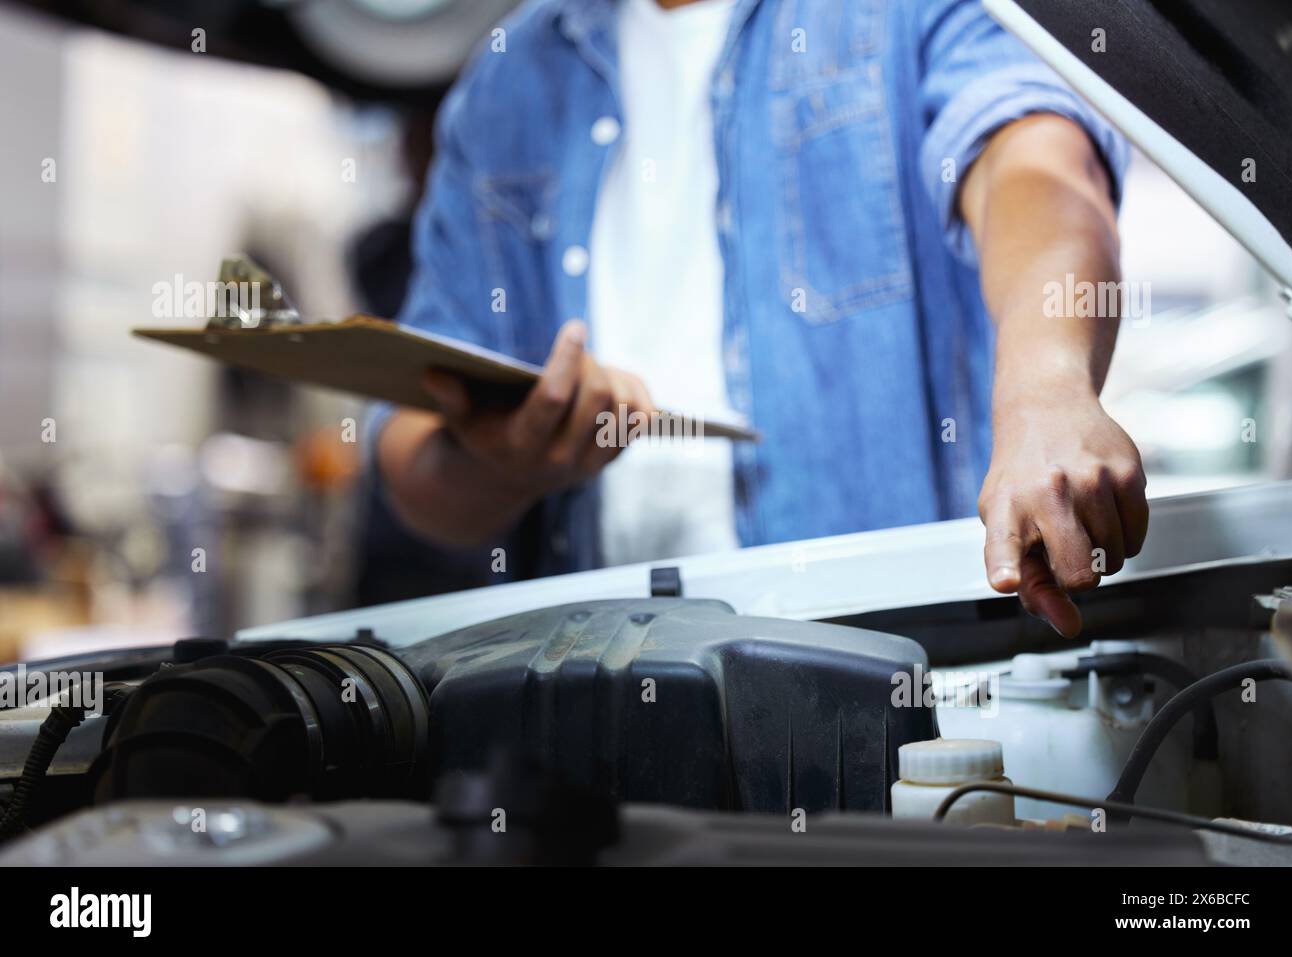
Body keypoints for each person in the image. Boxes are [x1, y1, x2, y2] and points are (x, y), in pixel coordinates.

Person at [372, 0, 1147, 639]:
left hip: (902, 689)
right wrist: (512, 458)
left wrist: (1047, 388)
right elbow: (413, 465)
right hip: (598, 704)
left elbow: (1039, 168)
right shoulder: (509, 80)